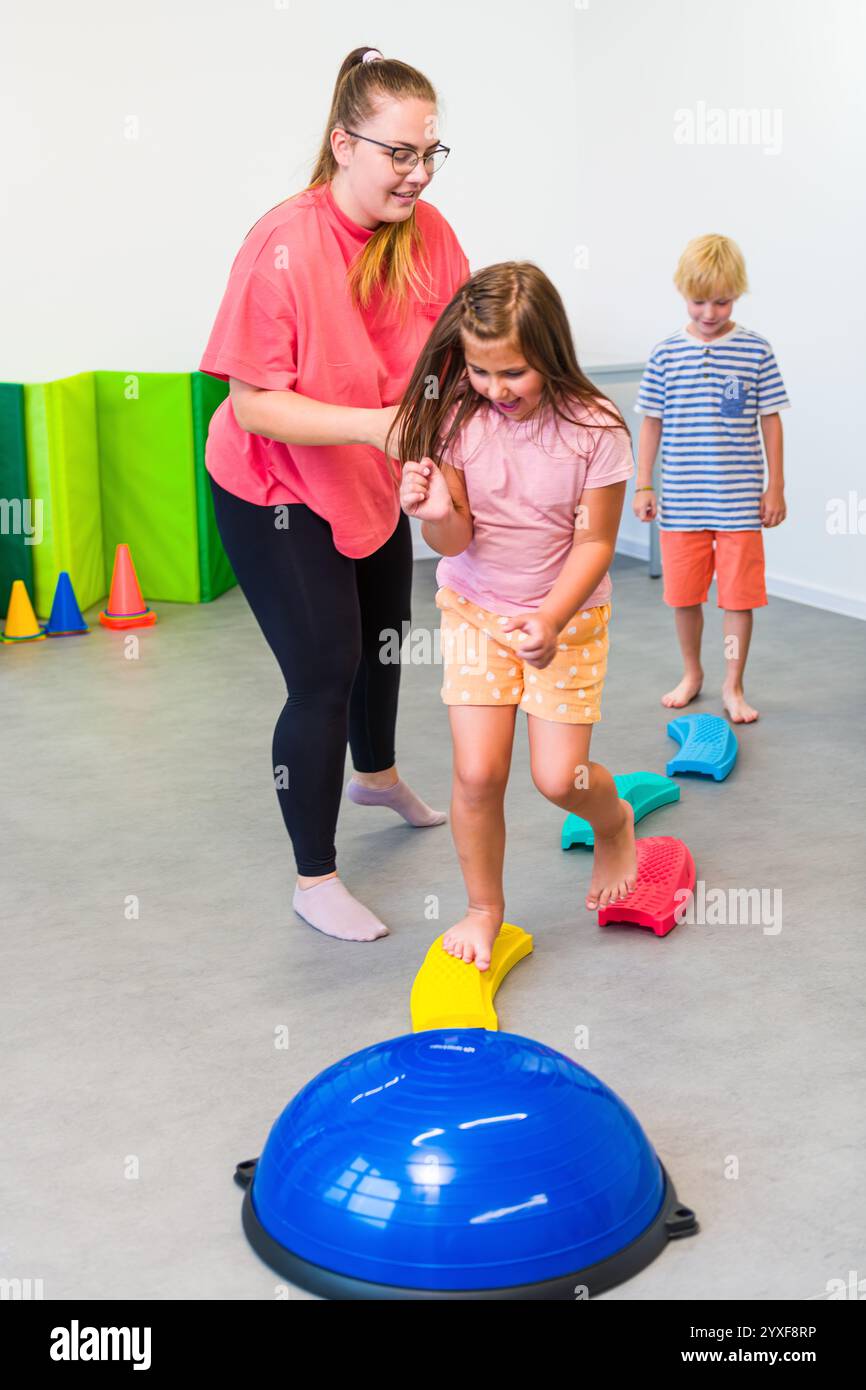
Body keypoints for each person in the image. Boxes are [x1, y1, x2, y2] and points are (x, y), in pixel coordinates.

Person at [199, 47, 470, 942]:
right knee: (324, 671)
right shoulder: (284, 243)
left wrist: (437, 450)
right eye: (400, 153)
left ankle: (378, 774)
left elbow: (452, 359)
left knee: (386, 640)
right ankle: (314, 877)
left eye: (431, 152)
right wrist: (376, 428)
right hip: (275, 483)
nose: (419, 172)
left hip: (370, 472)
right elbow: (252, 401)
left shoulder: (428, 234)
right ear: (343, 143)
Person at [394, 262, 638, 972]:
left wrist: (553, 619)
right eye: (480, 371)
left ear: (551, 355)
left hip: (568, 619)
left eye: (515, 374)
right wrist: (436, 514)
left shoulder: (596, 428)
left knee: (560, 780)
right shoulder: (459, 423)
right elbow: (455, 539)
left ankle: (614, 821)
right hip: (476, 611)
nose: (496, 390)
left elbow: (595, 541)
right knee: (476, 772)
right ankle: (483, 908)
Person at [632, 233, 789, 722]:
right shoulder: (665, 354)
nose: (709, 312)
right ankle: (692, 673)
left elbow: (771, 419)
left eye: (721, 301)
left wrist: (776, 486)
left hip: (740, 502)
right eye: (699, 300)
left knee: (738, 599)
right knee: (684, 596)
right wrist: (644, 483)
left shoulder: (755, 351)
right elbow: (651, 422)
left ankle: (732, 684)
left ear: (736, 294)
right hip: (681, 502)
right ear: (684, 293)